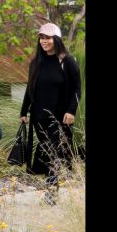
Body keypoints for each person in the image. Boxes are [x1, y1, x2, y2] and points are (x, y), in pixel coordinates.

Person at [20, 22, 81, 205]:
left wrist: (71, 111)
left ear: (56, 39)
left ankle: (51, 192)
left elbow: (77, 89)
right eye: (41, 37)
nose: (44, 41)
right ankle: (51, 186)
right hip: (39, 117)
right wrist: (24, 111)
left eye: (48, 37)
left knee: (55, 152)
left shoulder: (67, 61)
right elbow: (30, 88)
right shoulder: (36, 62)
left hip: (60, 118)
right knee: (48, 153)